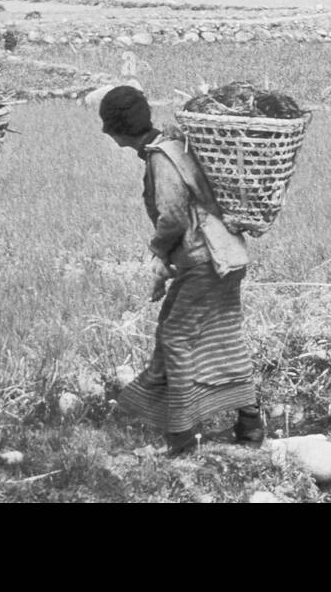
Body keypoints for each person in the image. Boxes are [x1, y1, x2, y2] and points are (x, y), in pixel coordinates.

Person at [97, 86, 264, 456]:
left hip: (206, 260)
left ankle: (182, 435)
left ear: (117, 129)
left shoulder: (162, 157)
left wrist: (157, 251)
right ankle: (250, 422)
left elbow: (172, 216)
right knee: (222, 333)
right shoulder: (177, 145)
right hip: (227, 254)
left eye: (107, 126)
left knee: (175, 337)